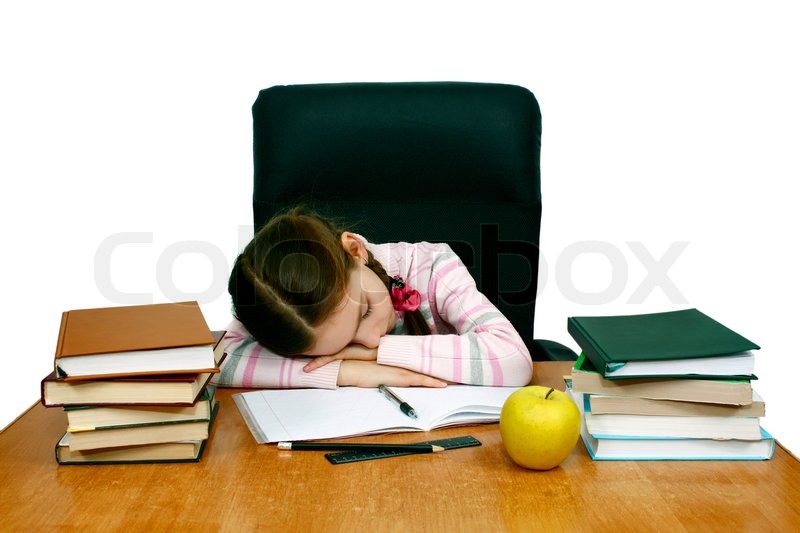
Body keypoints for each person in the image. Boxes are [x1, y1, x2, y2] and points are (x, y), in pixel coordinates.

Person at [214, 207, 533, 389]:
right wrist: (346, 371)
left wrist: (381, 353)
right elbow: (218, 363)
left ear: (355, 250)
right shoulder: (280, 309)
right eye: (342, 346)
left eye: (364, 312)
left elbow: (514, 360)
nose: (368, 340)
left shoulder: (432, 267)